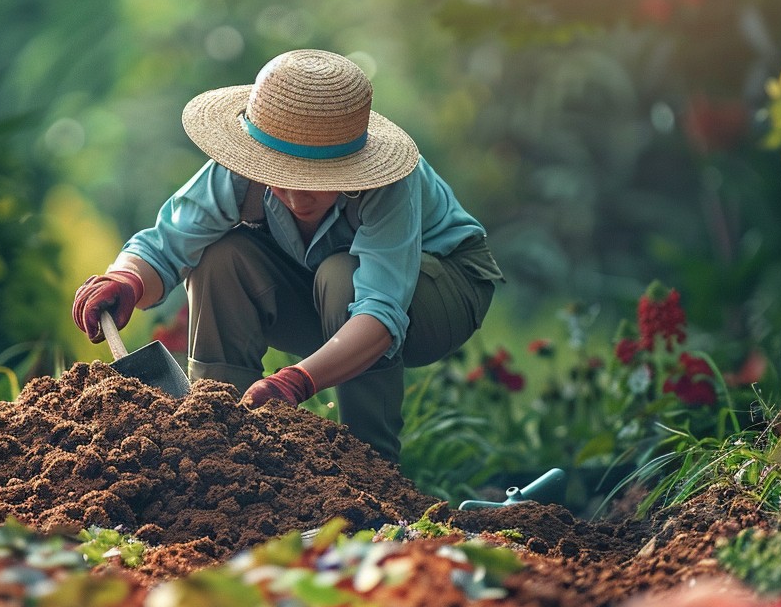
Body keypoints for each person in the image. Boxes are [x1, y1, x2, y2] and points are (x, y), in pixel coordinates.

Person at [72, 49, 502, 462]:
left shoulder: (389, 184)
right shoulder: (241, 166)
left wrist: (296, 382)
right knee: (221, 257)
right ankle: (217, 441)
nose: (295, 198)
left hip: (441, 290)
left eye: (312, 179)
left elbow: (381, 314)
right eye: (278, 176)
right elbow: (164, 245)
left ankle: (370, 465)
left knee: (340, 276)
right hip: (325, 289)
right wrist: (126, 280)